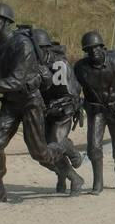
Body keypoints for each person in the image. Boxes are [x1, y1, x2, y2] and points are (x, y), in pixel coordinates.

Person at [0, 3, 84, 205]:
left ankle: (67, 151)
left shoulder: (22, 45)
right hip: (10, 102)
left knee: (40, 153)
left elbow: (16, 80)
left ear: (8, 22)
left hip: (29, 102)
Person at [74, 30, 115, 194]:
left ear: (102, 47)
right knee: (93, 148)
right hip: (96, 111)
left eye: (96, 48)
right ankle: (98, 182)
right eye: (89, 49)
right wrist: (76, 107)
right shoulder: (80, 68)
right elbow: (74, 90)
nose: (93, 52)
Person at [31, 28, 85, 193]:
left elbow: (71, 90)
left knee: (55, 144)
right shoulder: (30, 64)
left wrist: (74, 107)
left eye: (37, 49)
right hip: (43, 112)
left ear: (46, 48)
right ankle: (69, 175)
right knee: (42, 155)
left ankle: (71, 151)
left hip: (62, 109)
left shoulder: (60, 63)